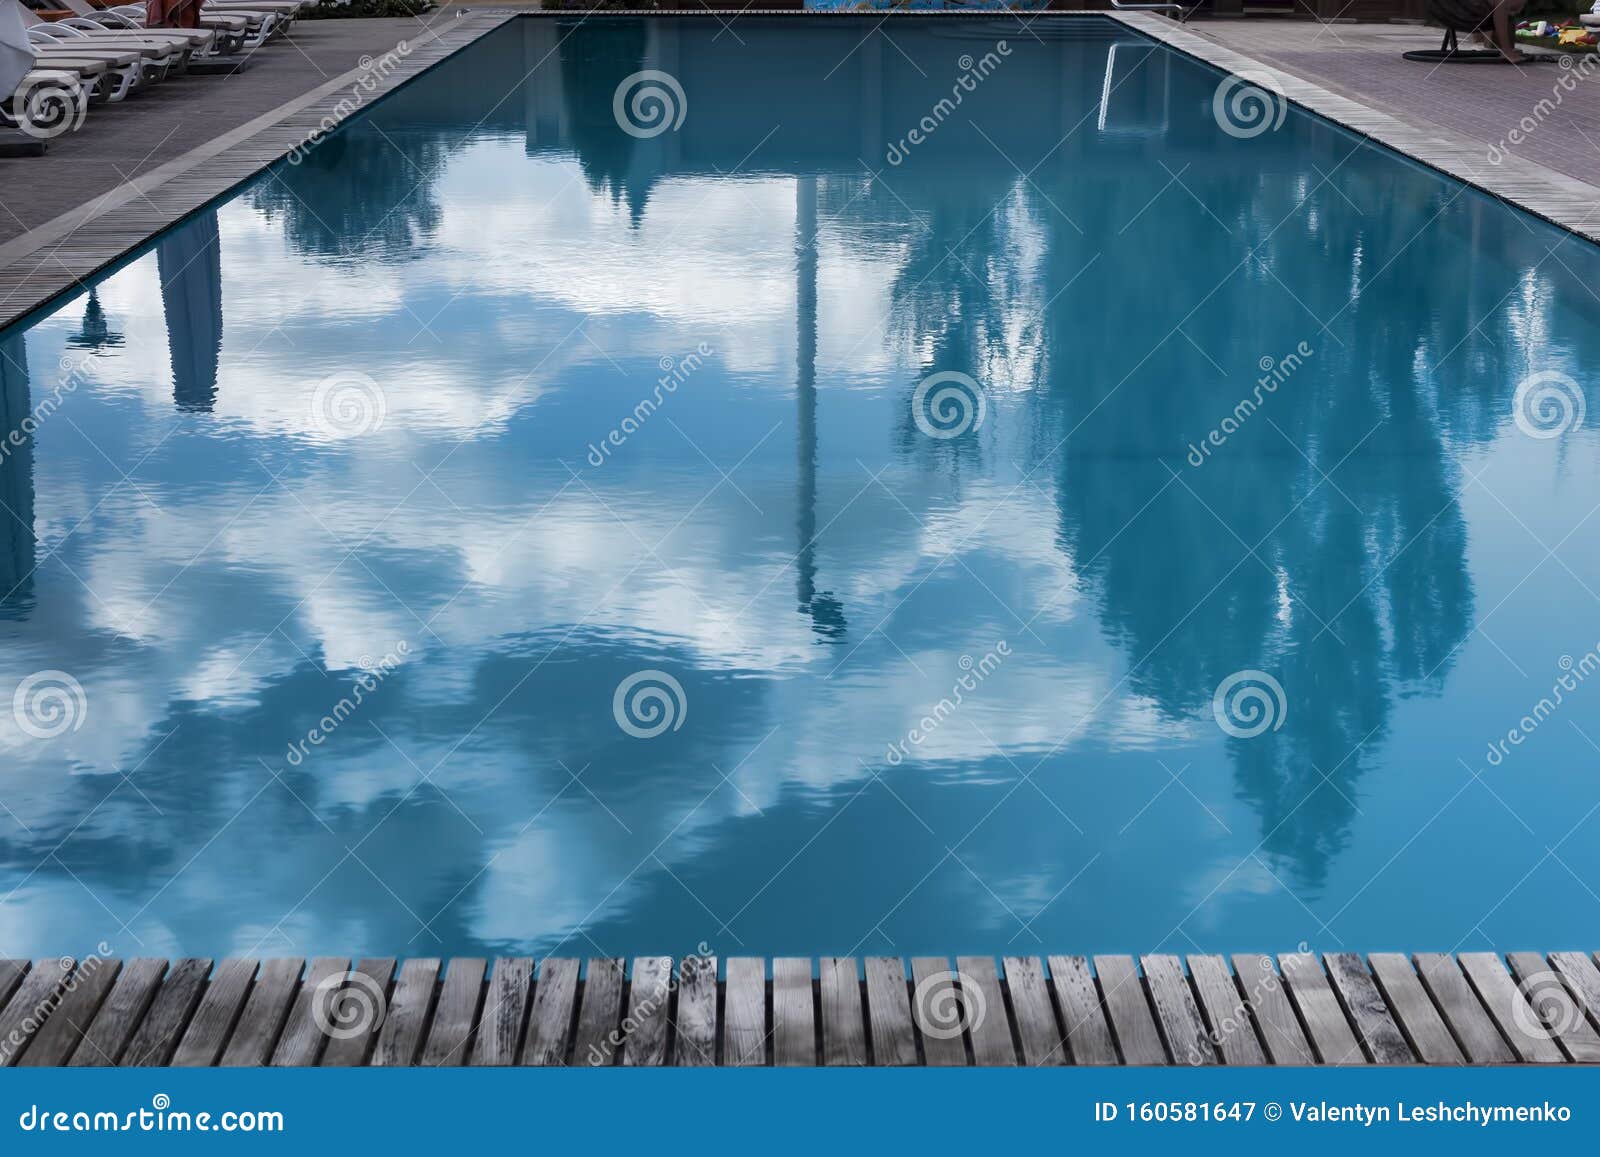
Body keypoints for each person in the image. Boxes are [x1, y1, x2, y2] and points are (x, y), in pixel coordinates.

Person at [1429, 0, 1530, 61]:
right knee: (1502, 4)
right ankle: (1506, 50)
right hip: (1457, 9)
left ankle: (1505, 49)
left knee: (1504, 5)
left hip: (1475, 12)